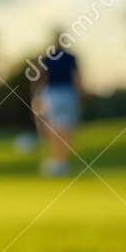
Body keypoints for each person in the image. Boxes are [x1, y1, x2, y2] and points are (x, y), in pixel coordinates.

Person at [32, 34, 81, 176]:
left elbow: (40, 79)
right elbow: (77, 79)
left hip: (52, 95)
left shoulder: (48, 58)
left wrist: (37, 98)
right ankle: (61, 161)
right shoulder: (71, 58)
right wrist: (80, 97)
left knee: (54, 128)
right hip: (68, 94)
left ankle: (57, 160)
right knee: (65, 128)